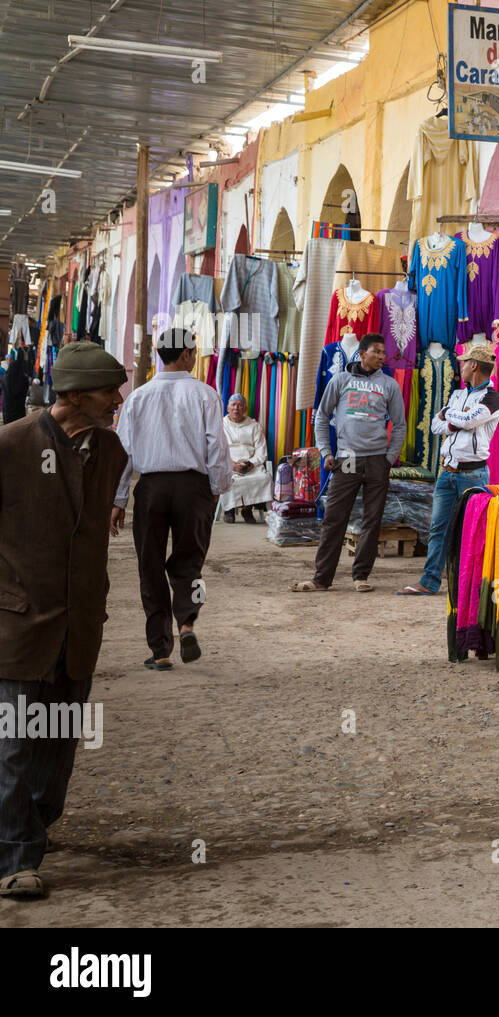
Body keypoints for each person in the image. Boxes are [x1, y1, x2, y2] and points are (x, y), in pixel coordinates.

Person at [0, 342, 128, 899]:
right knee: (13, 744)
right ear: (73, 394)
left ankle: (32, 827)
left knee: (58, 745)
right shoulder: (11, 446)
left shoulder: (110, 451)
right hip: (18, 623)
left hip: (78, 624)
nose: (117, 401)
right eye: (107, 392)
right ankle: (15, 856)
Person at [113, 328, 232, 672]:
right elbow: (217, 447)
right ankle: (187, 624)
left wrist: (118, 500)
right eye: (193, 352)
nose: (195, 357)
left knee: (149, 565)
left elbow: (124, 454)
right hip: (192, 488)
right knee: (190, 562)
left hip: (150, 488)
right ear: (184, 355)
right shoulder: (205, 394)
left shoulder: (138, 397)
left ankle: (160, 650)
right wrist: (216, 488)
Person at [292, 333, 406, 594]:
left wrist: (389, 458)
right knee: (334, 518)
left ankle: (361, 575)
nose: (381, 356)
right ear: (362, 353)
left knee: (372, 519)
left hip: (378, 459)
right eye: (376, 351)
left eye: (383, 352)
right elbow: (321, 416)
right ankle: (322, 578)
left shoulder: (389, 385)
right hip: (348, 458)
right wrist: (325, 451)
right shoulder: (341, 380)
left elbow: (399, 425)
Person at [396, 342, 499, 595]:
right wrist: (455, 419)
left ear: (474, 366)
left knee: (474, 532)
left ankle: (473, 586)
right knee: (438, 529)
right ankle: (430, 582)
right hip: (448, 472)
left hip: (473, 474)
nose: (461, 366)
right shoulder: (458, 394)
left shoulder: (492, 398)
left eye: (465, 362)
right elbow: (435, 424)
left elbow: (469, 419)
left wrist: (450, 417)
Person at [218, 393, 273, 523]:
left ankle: (247, 508)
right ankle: (229, 509)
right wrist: (231, 464)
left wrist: (250, 464)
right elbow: (216, 450)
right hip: (228, 464)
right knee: (229, 479)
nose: (236, 408)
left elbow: (261, 451)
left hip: (250, 464)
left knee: (264, 478)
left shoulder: (254, 426)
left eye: (240, 405)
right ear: (227, 408)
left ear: (244, 409)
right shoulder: (220, 425)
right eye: (233, 405)